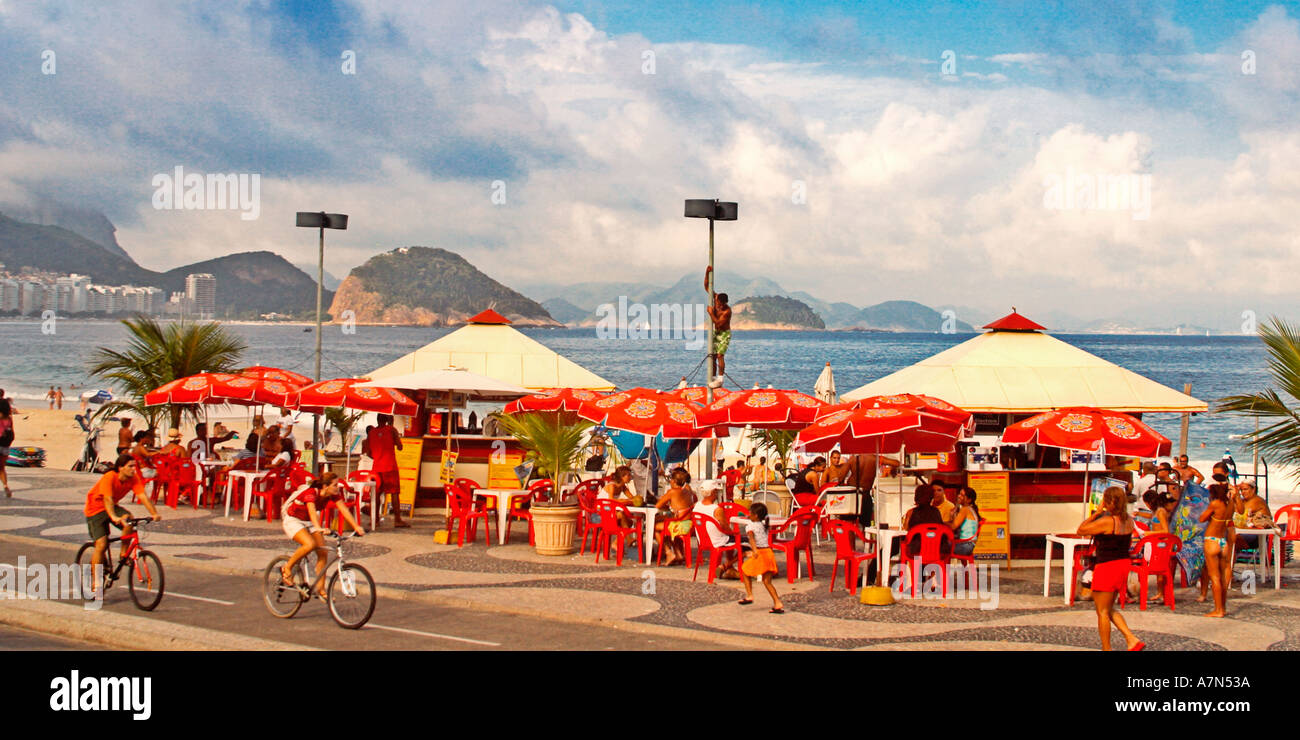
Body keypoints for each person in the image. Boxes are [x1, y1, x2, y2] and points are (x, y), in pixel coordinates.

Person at [1077, 486, 1143, 650]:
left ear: (1109, 501)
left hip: (1107, 565)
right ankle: (1131, 639)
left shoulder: (1107, 521)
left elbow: (1081, 530)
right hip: (1122, 564)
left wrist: (1097, 513)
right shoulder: (1129, 520)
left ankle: (1107, 648)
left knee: (1102, 612)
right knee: (1108, 607)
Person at [83, 455, 163, 591]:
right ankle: (96, 580)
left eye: (134, 466)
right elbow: (107, 499)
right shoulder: (110, 477)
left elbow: (143, 496)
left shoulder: (134, 478)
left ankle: (123, 555)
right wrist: (113, 516)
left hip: (112, 506)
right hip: (95, 509)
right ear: (120, 468)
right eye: (130, 466)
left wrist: (154, 513)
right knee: (101, 545)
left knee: (129, 521)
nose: (134, 469)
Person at [280, 472, 365, 598]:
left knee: (323, 553)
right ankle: (287, 567)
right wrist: (319, 528)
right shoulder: (311, 493)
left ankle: (321, 590)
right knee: (310, 544)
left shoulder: (333, 495)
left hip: (309, 522)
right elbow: (312, 512)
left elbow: (344, 510)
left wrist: (356, 526)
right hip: (294, 520)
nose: (338, 488)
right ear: (325, 486)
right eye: (335, 485)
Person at [737, 503, 784, 613]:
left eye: (750, 513)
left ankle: (749, 595)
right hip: (769, 552)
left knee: (744, 570)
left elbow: (751, 538)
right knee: (767, 581)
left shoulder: (750, 526)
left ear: (756, 515)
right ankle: (777, 602)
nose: (749, 515)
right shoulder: (764, 525)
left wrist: (754, 550)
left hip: (760, 552)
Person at [1198, 483, 1233, 618]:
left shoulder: (1215, 504)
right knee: (1223, 578)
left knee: (1215, 578)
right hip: (1223, 542)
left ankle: (1217, 610)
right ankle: (1222, 608)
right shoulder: (1230, 504)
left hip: (1212, 540)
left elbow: (1202, 518)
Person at [366, 414, 407, 528]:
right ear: (388, 419)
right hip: (390, 465)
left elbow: (369, 453)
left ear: (377, 419)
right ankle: (397, 519)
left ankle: (375, 519)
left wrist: (378, 457)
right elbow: (400, 446)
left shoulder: (371, 433)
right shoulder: (391, 430)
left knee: (376, 494)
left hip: (376, 467)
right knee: (394, 493)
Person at [693, 480, 737, 573]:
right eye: (716, 491)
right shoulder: (716, 509)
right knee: (745, 544)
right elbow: (726, 528)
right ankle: (725, 566)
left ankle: (730, 568)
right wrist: (735, 533)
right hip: (717, 541)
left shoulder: (696, 506)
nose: (717, 494)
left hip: (703, 540)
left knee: (731, 538)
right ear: (713, 492)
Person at [655, 468, 696, 565]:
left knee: (655, 527)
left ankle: (669, 552)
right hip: (689, 524)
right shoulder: (688, 491)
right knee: (663, 522)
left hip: (679, 525)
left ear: (673, 481)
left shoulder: (672, 492)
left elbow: (657, 505)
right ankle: (678, 554)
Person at [704, 266, 731, 384]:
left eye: (721, 305)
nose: (719, 306)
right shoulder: (715, 298)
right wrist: (707, 272)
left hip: (725, 333)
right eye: (718, 304)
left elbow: (718, 323)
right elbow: (706, 286)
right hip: (716, 333)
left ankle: (720, 378)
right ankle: (713, 377)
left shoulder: (727, 312)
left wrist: (711, 313)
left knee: (720, 355)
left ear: (725, 303)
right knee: (713, 355)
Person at [1232, 481, 1272, 551]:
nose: (1243, 492)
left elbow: (1240, 512)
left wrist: (1236, 496)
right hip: (1247, 531)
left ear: (1253, 489)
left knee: (1230, 538)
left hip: (1257, 535)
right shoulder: (1243, 501)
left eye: (1245, 489)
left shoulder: (1257, 500)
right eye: (1241, 490)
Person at [951, 487, 980, 556]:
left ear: (969, 500)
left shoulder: (965, 509)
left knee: (939, 546)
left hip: (965, 546)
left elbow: (953, 526)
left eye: (962, 495)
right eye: (959, 494)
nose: (959, 496)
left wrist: (942, 523)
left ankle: (937, 566)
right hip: (969, 545)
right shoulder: (971, 509)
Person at [0, 399, 13, 497]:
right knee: (2, 468)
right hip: (5, 447)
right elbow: (13, 434)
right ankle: (5, 486)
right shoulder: (9, 419)